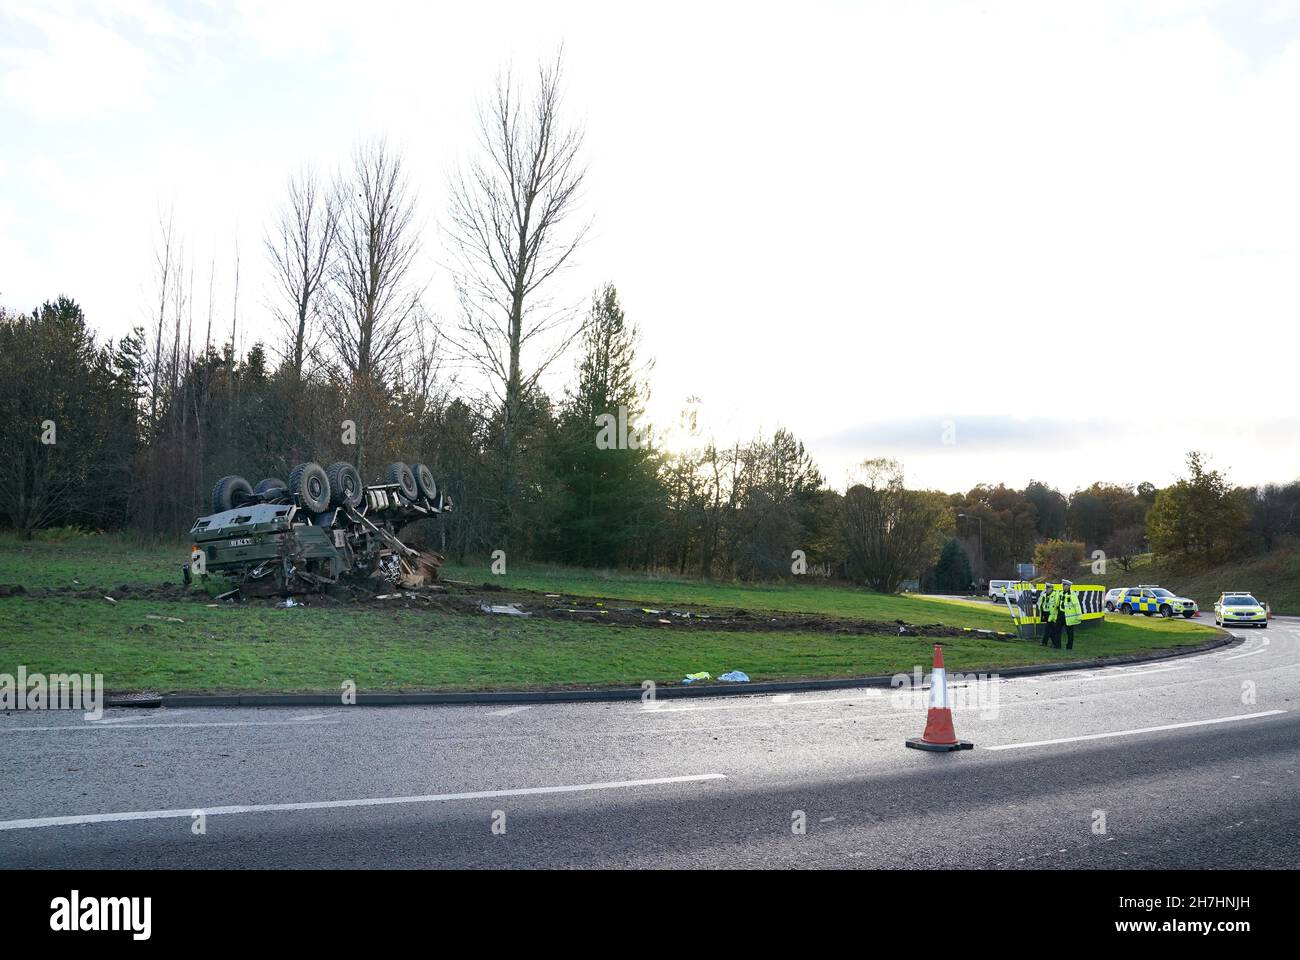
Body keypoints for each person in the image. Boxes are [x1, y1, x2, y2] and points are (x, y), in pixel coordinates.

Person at [1058, 581, 1083, 650]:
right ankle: (1057, 645)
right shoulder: (1061, 593)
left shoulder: (1072, 594)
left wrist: (1079, 616)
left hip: (1069, 617)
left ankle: (1069, 647)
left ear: (1068, 586)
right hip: (1061, 614)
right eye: (1062, 585)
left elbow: (1077, 605)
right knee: (1057, 630)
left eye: (1064, 586)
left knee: (1070, 633)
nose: (1063, 587)